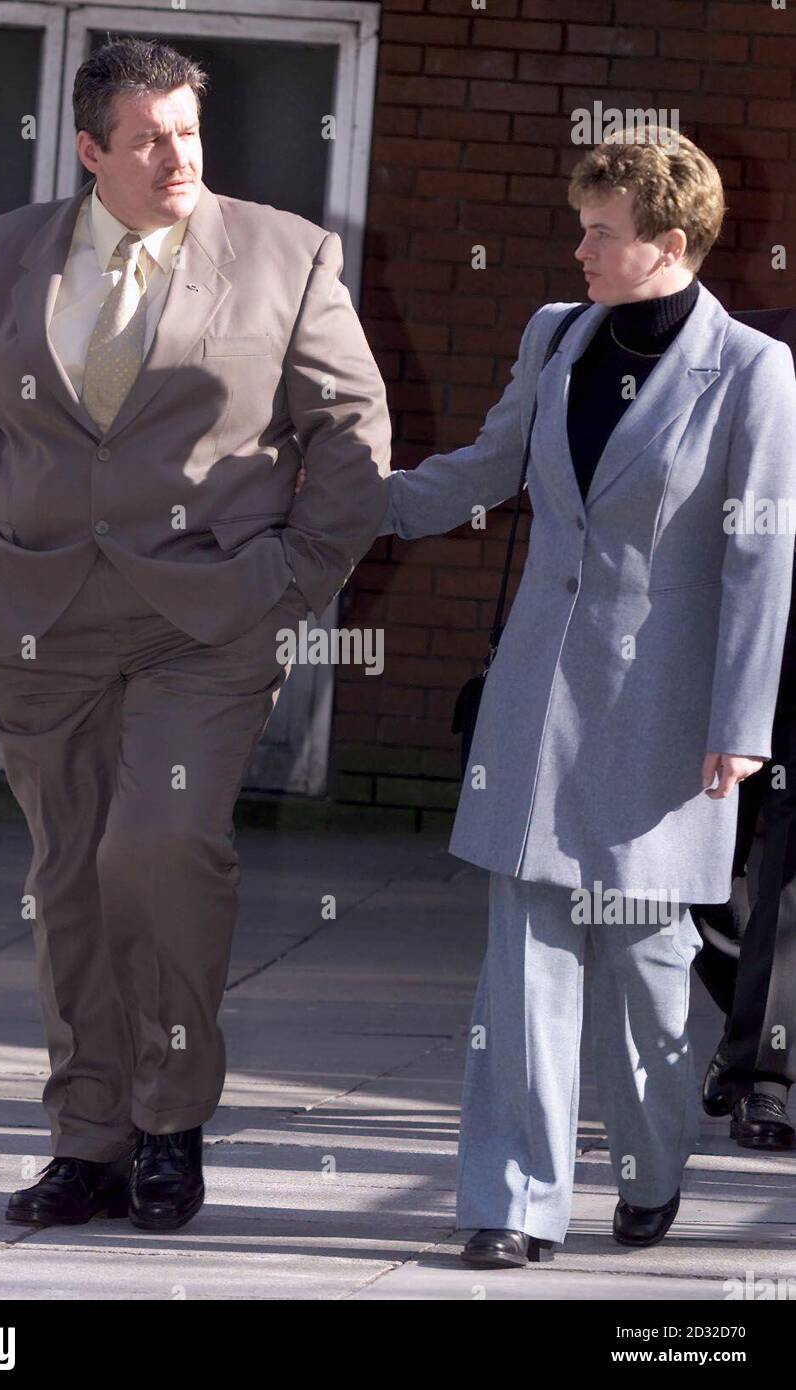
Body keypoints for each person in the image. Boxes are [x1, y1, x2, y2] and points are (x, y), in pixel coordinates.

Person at [0, 37, 390, 1231]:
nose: (178, 157)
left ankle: (172, 1123)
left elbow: (351, 430)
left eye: (189, 133)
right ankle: (89, 1139)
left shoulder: (285, 252)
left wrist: (286, 578)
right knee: (69, 876)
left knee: (158, 852)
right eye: (148, 139)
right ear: (89, 150)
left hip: (204, 622)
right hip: (38, 622)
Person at [377, 128, 796, 1269]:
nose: (578, 249)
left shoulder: (753, 371)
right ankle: (512, 1201)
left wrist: (739, 726)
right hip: (536, 701)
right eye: (578, 226)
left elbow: (760, 554)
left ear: (668, 244)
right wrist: (362, 501)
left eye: (598, 232)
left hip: (668, 714)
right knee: (524, 958)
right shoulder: (556, 336)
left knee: (648, 971)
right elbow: (485, 464)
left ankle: (650, 1167)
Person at [691, 305, 796, 1150]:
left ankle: (770, 1070)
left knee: (790, 862)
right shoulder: (749, 345)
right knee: (708, 861)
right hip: (729, 636)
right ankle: (746, 1032)